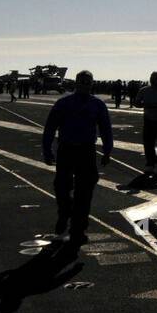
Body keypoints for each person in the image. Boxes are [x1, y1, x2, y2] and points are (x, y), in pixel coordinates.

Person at [42, 70, 113, 245]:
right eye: (81, 82)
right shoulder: (63, 103)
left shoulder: (97, 105)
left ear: (91, 84)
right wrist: (47, 150)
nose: (84, 85)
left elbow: (106, 129)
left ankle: (78, 228)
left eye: (87, 82)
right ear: (76, 83)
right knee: (62, 186)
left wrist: (107, 151)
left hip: (86, 151)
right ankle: (65, 211)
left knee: (85, 190)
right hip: (67, 149)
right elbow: (50, 128)